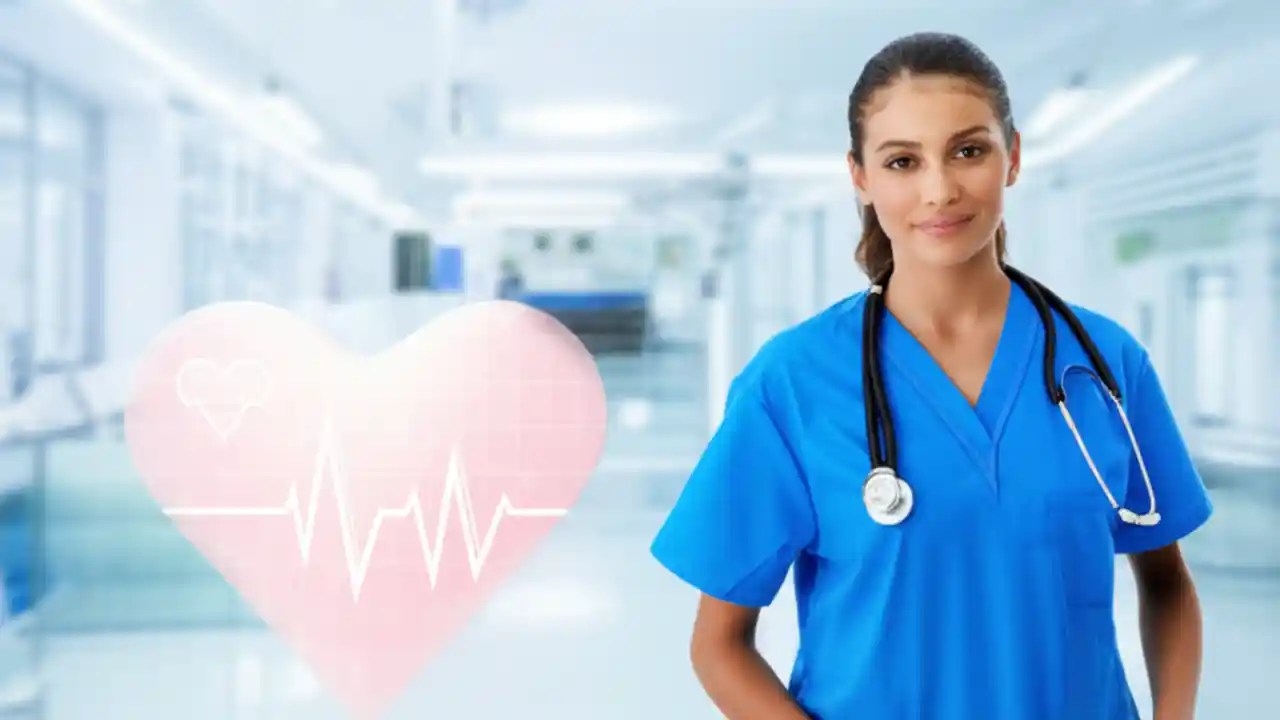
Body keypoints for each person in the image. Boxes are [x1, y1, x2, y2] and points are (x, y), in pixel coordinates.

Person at [649, 31, 1213, 720]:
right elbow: (719, 645)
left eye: (968, 151)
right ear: (860, 177)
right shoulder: (793, 383)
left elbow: (1168, 586)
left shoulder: (1103, 363)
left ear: (1014, 157)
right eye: (902, 161)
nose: (939, 189)